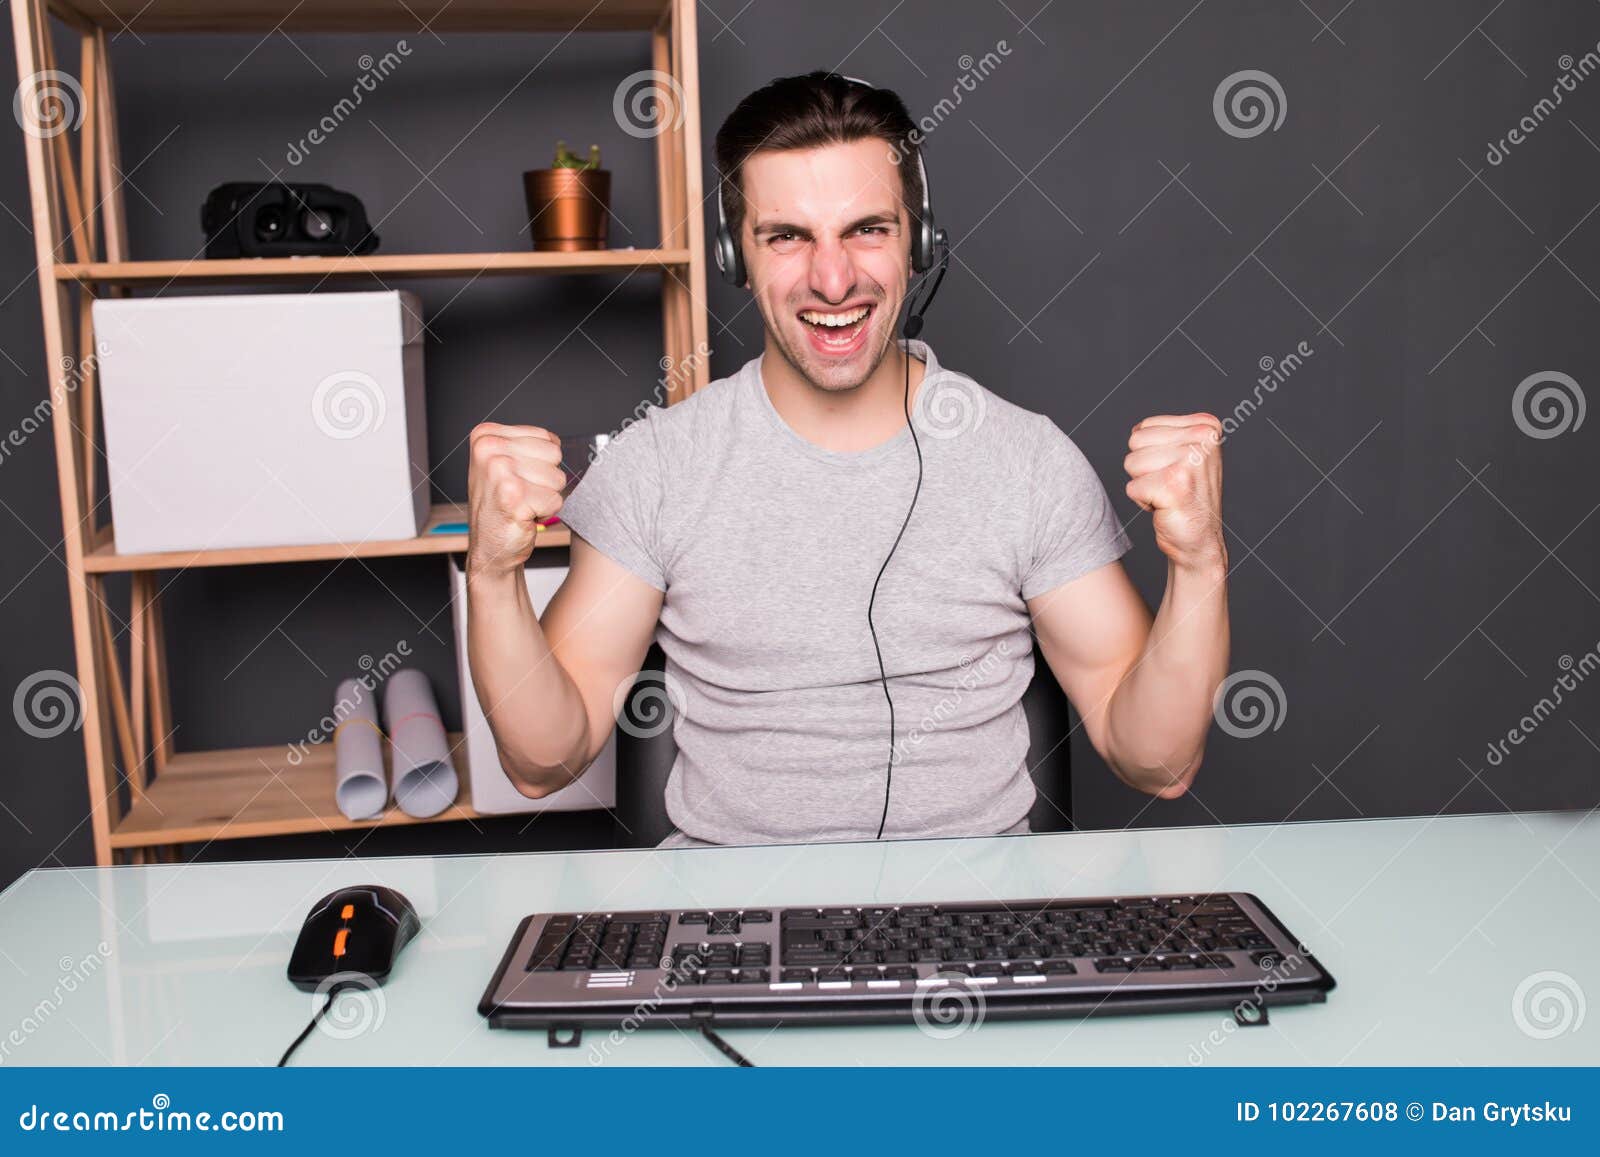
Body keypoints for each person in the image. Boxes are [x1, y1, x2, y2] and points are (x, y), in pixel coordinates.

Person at [464, 71, 1229, 848]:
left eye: (867, 229)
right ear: (734, 254)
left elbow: (1157, 761)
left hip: (977, 910)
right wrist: (492, 575)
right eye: (788, 237)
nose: (833, 280)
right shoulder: (657, 467)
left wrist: (1200, 561)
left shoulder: (1027, 462)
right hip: (734, 912)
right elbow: (544, 762)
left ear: (918, 243)